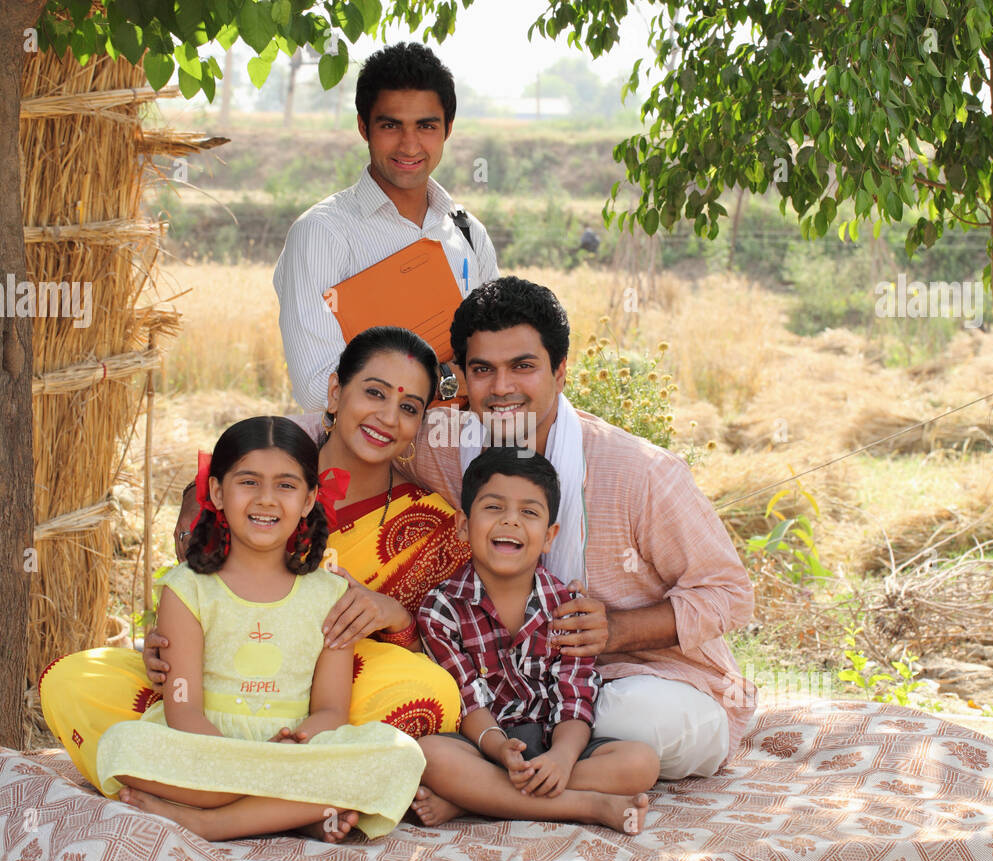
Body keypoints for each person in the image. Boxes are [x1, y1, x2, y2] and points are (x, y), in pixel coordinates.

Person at [39, 329, 469, 792]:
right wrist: (163, 652)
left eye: (408, 408)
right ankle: (295, 789)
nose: (387, 417)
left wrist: (394, 614)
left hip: (330, 701)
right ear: (335, 392)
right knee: (72, 681)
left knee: (430, 691)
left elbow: (449, 654)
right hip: (211, 694)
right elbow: (190, 599)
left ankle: (206, 788)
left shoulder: (433, 524)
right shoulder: (249, 484)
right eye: (373, 393)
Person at [400, 276, 758, 794]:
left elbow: (730, 594)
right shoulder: (442, 444)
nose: (501, 389)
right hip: (500, 689)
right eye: (482, 370)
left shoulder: (640, 472)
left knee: (639, 721)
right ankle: (547, 772)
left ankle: (491, 784)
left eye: (522, 366)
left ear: (561, 371)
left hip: (634, 677)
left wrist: (617, 631)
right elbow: (352, 433)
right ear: (461, 376)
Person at [98, 416, 425, 843]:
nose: (267, 500)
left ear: (310, 499)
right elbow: (183, 710)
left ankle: (210, 820)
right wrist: (252, 760)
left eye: (286, 486)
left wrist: (292, 746)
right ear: (217, 491)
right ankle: (291, 810)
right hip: (203, 749)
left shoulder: (329, 594)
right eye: (248, 482)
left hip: (293, 751)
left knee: (397, 758)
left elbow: (330, 711)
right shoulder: (187, 589)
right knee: (122, 748)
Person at [412, 447, 657, 833]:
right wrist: (498, 749)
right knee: (430, 755)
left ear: (549, 536)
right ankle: (588, 805)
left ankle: (472, 799)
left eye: (529, 512)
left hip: (554, 743)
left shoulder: (570, 607)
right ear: (463, 525)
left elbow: (574, 697)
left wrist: (561, 757)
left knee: (640, 762)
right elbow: (467, 698)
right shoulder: (440, 608)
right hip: (483, 743)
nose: (511, 521)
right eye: (493, 508)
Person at [274, 41, 499, 411]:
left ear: (448, 129)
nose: (409, 146)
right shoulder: (322, 234)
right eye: (391, 125)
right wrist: (446, 380)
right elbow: (319, 388)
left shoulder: (468, 234)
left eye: (426, 126)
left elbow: (498, 362)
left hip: (469, 460)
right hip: (373, 464)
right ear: (364, 127)